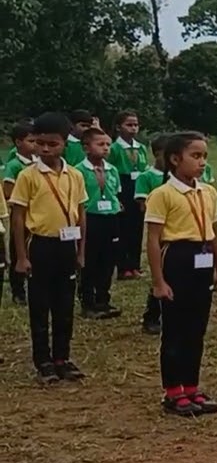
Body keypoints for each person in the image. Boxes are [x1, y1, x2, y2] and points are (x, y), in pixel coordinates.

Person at [146, 132, 217, 416]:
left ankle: (192, 386)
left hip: (202, 257)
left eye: (204, 156)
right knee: (175, 329)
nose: (202, 162)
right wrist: (158, 281)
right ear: (175, 159)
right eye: (195, 156)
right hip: (177, 257)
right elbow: (153, 239)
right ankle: (173, 391)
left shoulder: (208, 192)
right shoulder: (163, 194)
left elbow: (216, 233)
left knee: (196, 327)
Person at [11, 112, 88, 384]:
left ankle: (62, 357)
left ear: (65, 143)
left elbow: (81, 212)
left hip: (67, 244)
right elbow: (18, 217)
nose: (45, 149)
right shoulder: (27, 176)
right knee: (40, 304)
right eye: (40, 143)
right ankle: (43, 360)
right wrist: (21, 256)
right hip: (40, 245)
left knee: (65, 303)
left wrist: (80, 251)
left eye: (52, 144)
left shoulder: (75, 175)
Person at [77, 128, 122, 319]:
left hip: (110, 217)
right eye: (100, 144)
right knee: (90, 261)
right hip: (90, 218)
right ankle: (88, 302)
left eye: (108, 145)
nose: (105, 148)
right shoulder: (79, 171)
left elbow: (116, 193)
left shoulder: (112, 169)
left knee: (108, 260)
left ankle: (103, 299)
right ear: (86, 147)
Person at [134, 134, 169, 334]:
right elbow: (142, 204)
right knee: (161, 273)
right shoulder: (147, 177)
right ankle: (152, 316)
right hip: (161, 233)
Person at [108, 111, 148, 281]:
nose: (133, 129)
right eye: (129, 125)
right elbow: (110, 171)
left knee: (137, 227)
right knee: (123, 228)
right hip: (122, 186)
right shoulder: (114, 148)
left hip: (137, 186)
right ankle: (123, 267)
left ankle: (135, 265)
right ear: (118, 127)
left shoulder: (141, 147)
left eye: (135, 125)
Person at [4, 120, 36, 305]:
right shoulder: (14, 165)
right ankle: (18, 291)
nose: (35, 145)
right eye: (30, 141)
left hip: (37, 215)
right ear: (18, 142)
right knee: (19, 250)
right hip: (21, 215)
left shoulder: (38, 163)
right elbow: (8, 190)